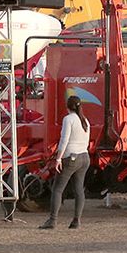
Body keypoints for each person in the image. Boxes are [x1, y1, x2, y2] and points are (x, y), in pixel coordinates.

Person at [41, 95, 91, 229]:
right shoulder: (85, 121)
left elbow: (64, 140)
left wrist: (58, 158)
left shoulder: (68, 119)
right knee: (79, 189)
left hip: (71, 157)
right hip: (84, 156)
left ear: (67, 106)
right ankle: (76, 220)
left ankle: (52, 220)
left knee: (57, 189)